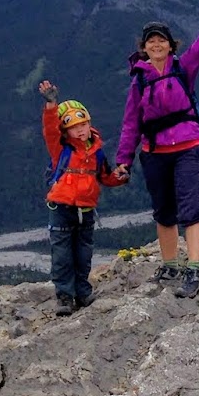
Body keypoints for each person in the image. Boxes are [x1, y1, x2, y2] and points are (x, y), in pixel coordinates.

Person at [114, 0, 199, 299]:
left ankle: (194, 267)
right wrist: (123, 161)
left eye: (161, 40)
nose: (156, 44)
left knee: (191, 209)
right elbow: (131, 125)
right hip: (154, 152)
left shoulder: (185, 67)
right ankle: (170, 263)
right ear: (144, 48)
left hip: (187, 147)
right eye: (150, 41)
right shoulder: (138, 82)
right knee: (163, 211)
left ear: (170, 45)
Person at [38, 81, 128, 315]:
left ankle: (83, 291)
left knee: (83, 253)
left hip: (86, 210)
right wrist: (51, 104)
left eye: (84, 124)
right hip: (62, 208)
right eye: (74, 126)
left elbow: (106, 177)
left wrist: (120, 177)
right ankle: (65, 297)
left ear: (90, 124)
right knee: (62, 255)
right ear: (65, 130)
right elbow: (49, 129)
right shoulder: (61, 150)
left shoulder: (96, 152)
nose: (80, 130)